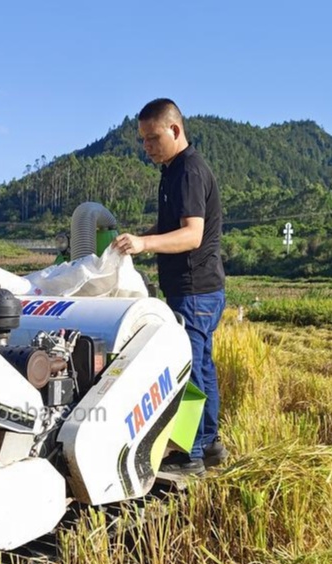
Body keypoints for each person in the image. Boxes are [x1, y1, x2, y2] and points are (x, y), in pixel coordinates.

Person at [112, 98, 228, 479]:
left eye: (152, 138)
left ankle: (190, 455)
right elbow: (172, 232)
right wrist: (140, 240)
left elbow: (192, 235)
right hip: (200, 289)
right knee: (202, 366)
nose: (147, 147)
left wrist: (145, 244)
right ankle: (210, 444)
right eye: (143, 140)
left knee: (187, 369)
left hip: (194, 290)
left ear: (175, 130)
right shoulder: (173, 170)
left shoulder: (188, 172)